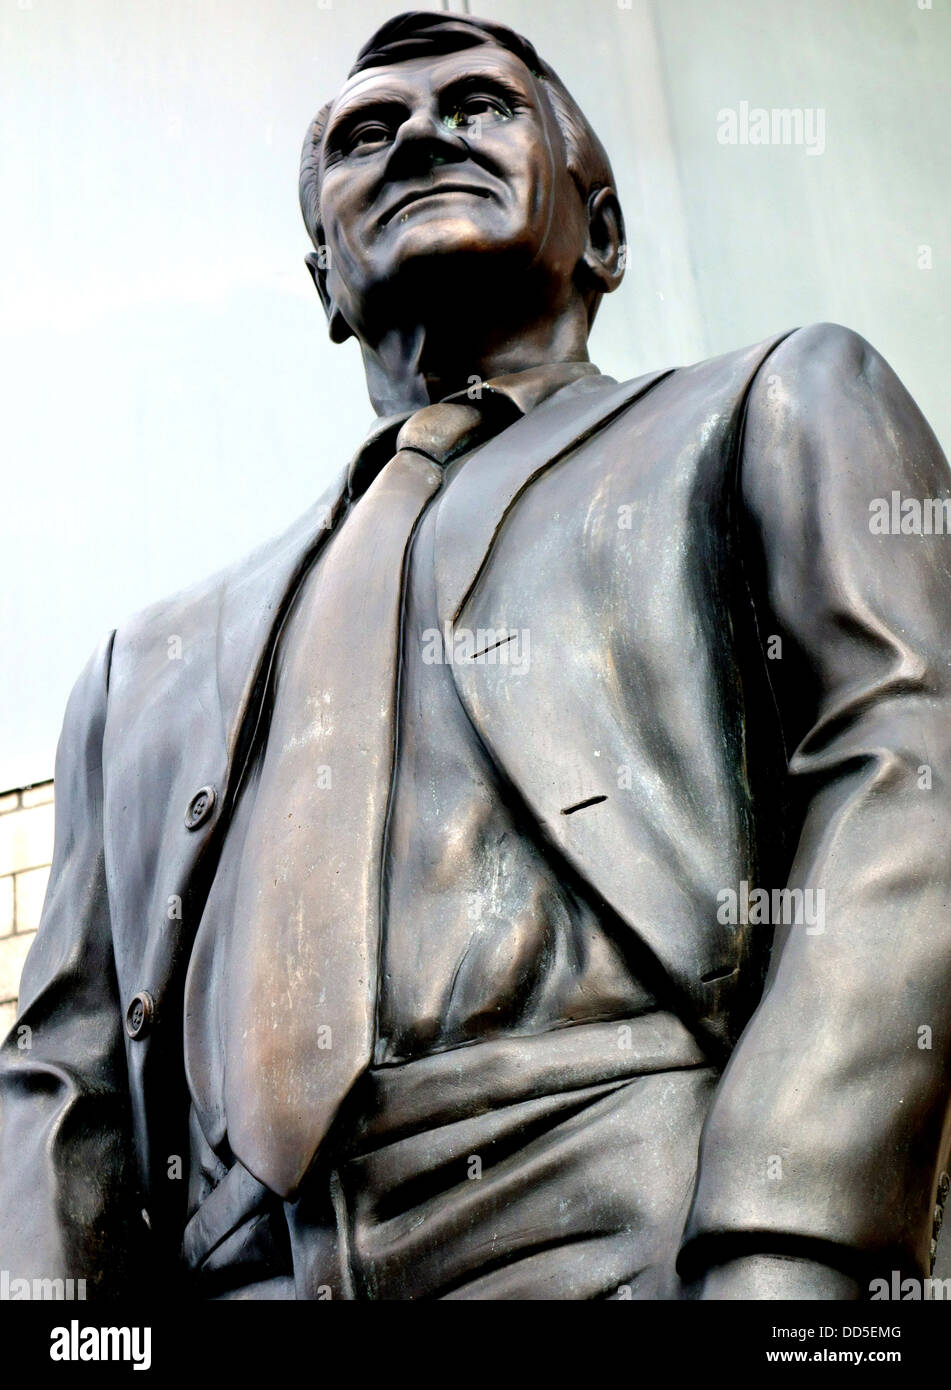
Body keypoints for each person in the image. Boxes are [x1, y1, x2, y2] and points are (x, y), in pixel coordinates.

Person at [3, 10, 951, 1300]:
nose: (421, 139)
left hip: (634, 1230)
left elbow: (915, 778)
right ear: (324, 282)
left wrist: (788, 1240)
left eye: (483, 107)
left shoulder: (766, 412)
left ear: (601, 230)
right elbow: (64, 1082)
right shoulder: (141, 671)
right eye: (368, 135)